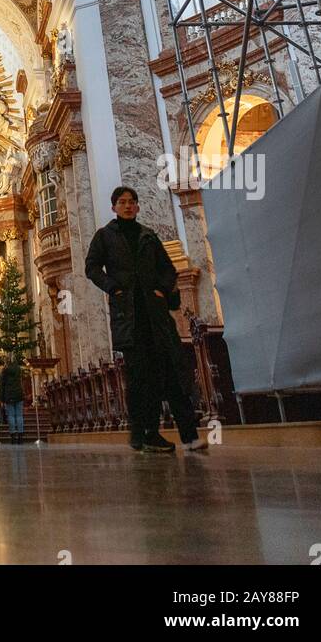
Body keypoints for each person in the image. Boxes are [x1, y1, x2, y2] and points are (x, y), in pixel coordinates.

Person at [85, 186, 206, 454]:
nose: (128, 206)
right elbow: (91, 267)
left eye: (132, 202)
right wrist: (113, 287)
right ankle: (145, 434)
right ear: (114, 207)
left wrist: (162, 290)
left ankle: (189, 435)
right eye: (122, 202)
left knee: (174, 373)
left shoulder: (148, 236)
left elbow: (168, 269)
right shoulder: (104, 236)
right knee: (141, 379)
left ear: (138, 207)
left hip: (157, 316)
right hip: (130, 318)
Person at [0, 352, 25, 444]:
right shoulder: (18, 369)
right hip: (18, 393)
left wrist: (1, 398)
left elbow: (2, 385)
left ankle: (13, 435)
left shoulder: (5, 370)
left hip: (9, 394)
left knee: (11, 415)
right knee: (19, 415)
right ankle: (21, 435)